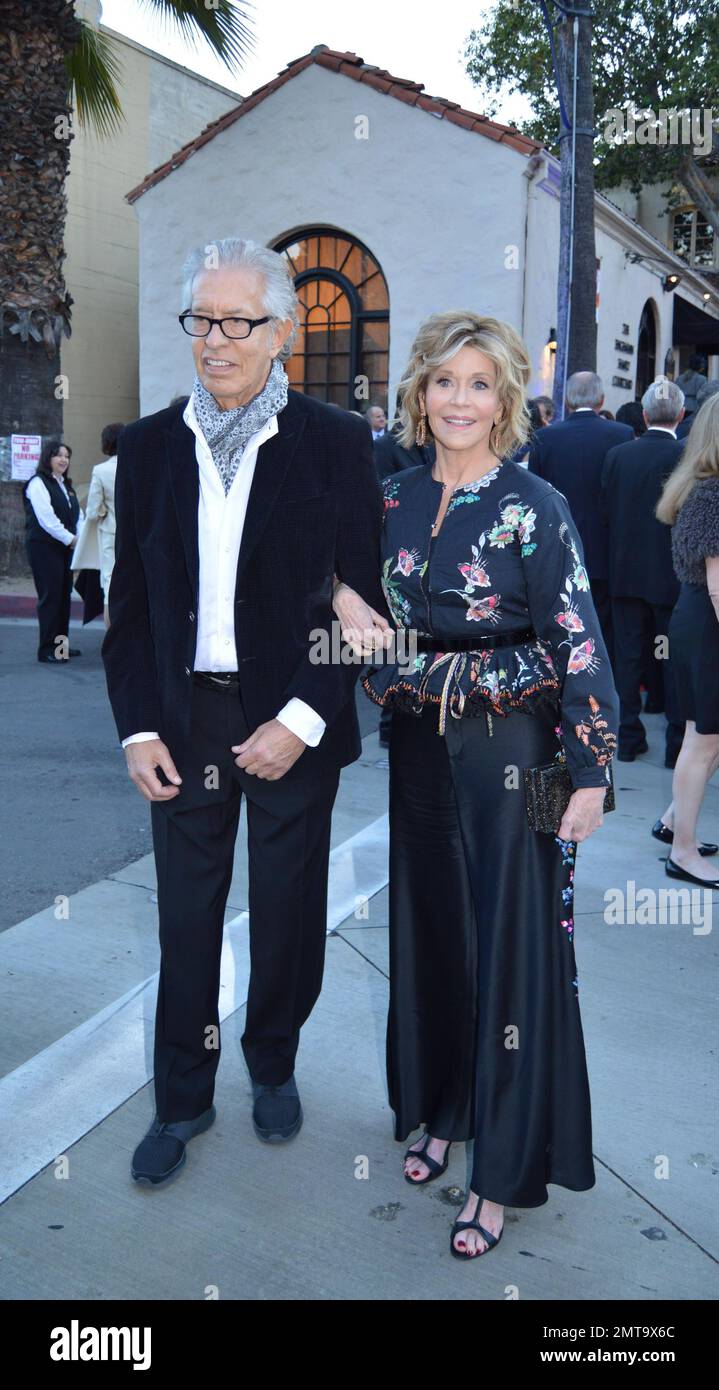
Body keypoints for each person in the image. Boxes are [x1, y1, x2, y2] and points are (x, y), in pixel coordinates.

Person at [332, 311, 619, 1260]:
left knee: (521, 945)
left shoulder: (536, 502)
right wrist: (345, 608)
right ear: (419, 392)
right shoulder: (392, 495)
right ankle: (446, 1109)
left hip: (524, 751)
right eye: (444, 381)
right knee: (434, 932)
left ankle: (501, 1172)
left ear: (506, 402)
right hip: (418, 743)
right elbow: (337, 585)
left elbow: (575, 635)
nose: (459, 400)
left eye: (480, 384)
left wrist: (590, 770)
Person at [101, 236, 384, 1185]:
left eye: (237, 322)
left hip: (293, 720)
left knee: (289, 913)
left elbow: (361, 605)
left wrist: (301, 720)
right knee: (186, 920)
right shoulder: (144, 448)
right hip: (184, 723)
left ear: (283, 337)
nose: (214, 341)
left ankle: (274, 1066)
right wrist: (138, 729)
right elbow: (130, 610)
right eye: (201, 321)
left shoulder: (340, 446)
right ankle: (181, 1098)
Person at [653, 390, 719, 889]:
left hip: (697, 620)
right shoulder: (717, 494)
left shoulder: (700, 487)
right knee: (705, 740)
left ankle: (675, 821)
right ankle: (683, 851)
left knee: (711, 738)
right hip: (711, 625)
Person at [601, 378, 685, 765]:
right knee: (668, 655)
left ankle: (628, 736)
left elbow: (607, 511)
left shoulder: (619, 455)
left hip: (625, 574)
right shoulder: (685, 456)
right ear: (681, 415)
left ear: (646, 414)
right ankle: (675, 742)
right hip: (669, 578)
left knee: (629, 656)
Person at [527, 372, 635, 657]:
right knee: (603, 624)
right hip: (606, 547)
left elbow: (533, 497)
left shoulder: (545, 438)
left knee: (562, 617)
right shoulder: (621, 434)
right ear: (601, 399)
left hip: (557, 545)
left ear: (567, 399)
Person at [23, 439, 83, 662]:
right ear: (48, 458)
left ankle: (61, 648)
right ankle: (47, 649)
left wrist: (79, 537)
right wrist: (72, 539)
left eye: (67, 456)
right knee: (51, 597)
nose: (64, 459)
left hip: (65, 547)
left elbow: (77, 515)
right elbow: (47, 519)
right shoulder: (38, 483)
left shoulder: (66, 486)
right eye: (59, 455)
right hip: (44, 548)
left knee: (64, 597)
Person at [83, 422, 124, 627]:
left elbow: (92, 511)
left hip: (110, 532)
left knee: (109, 584)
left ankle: (112, 636)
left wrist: (103, 511)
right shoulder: (136, 465)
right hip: (134, 534)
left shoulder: (100, 470)